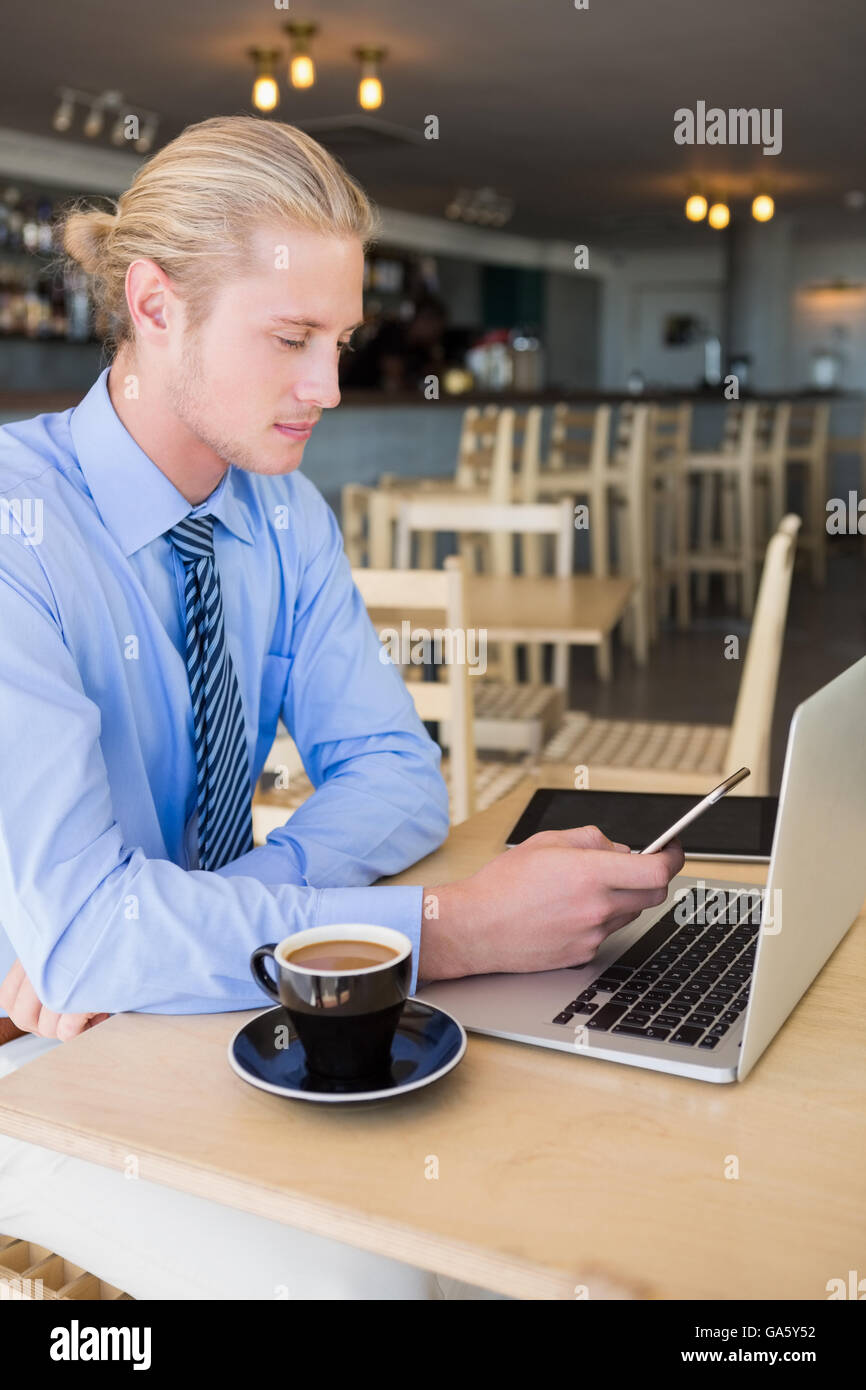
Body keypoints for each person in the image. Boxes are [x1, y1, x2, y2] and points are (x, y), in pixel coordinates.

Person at [0, 115, 683, 1300]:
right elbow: (78, 942)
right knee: (365, 1280)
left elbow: (395, 774)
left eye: (342, 339)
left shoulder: (283, 516)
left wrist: (173, 922)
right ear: (155, 305)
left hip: (165, 1000)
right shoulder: (19, 534)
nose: (328, 387)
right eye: (290, 338)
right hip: (31, 1047)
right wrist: (449, 929)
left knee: (518, 1197)